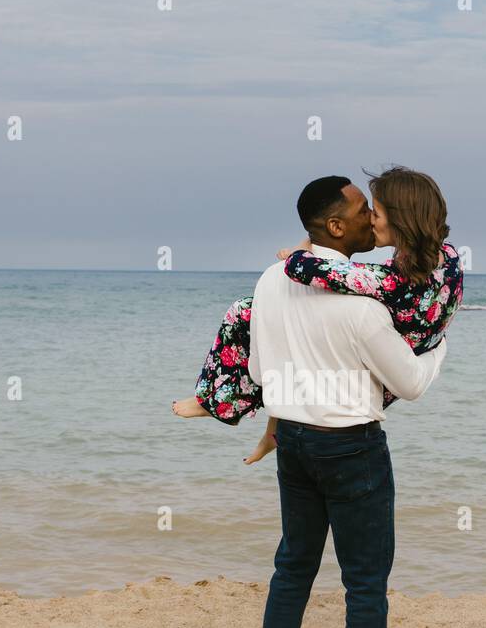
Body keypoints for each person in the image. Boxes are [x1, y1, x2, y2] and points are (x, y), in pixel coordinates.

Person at [236, 173, 451, 628]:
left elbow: (258, 373)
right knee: (364, 586)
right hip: (351, 444)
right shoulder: (363, 306)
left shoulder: (269, 278)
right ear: (335, 226)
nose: (371, 219)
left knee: (292, 568)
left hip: (295, 443)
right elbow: (409, 384)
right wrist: (439, 347)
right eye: (362, 210)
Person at [171, 167, 463, 466]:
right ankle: (260, 424)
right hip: (416, 334)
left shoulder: (389, 282)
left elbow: (303, 268)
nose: (371, 217)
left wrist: (299, 253)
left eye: (376, 211)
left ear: (402, 219)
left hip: (403, 355)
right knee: (293, 340)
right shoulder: (448, 255)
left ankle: (220, 403)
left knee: (247, 311)